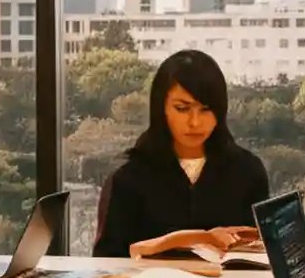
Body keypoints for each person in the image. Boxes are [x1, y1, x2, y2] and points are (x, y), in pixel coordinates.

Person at [93, 50, 269, 258]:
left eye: (205, 109)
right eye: (182, 108)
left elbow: (262, 254)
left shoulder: (248, 171)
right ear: (161, 108)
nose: (194, 122)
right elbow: (107, 262)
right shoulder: (127, 178)